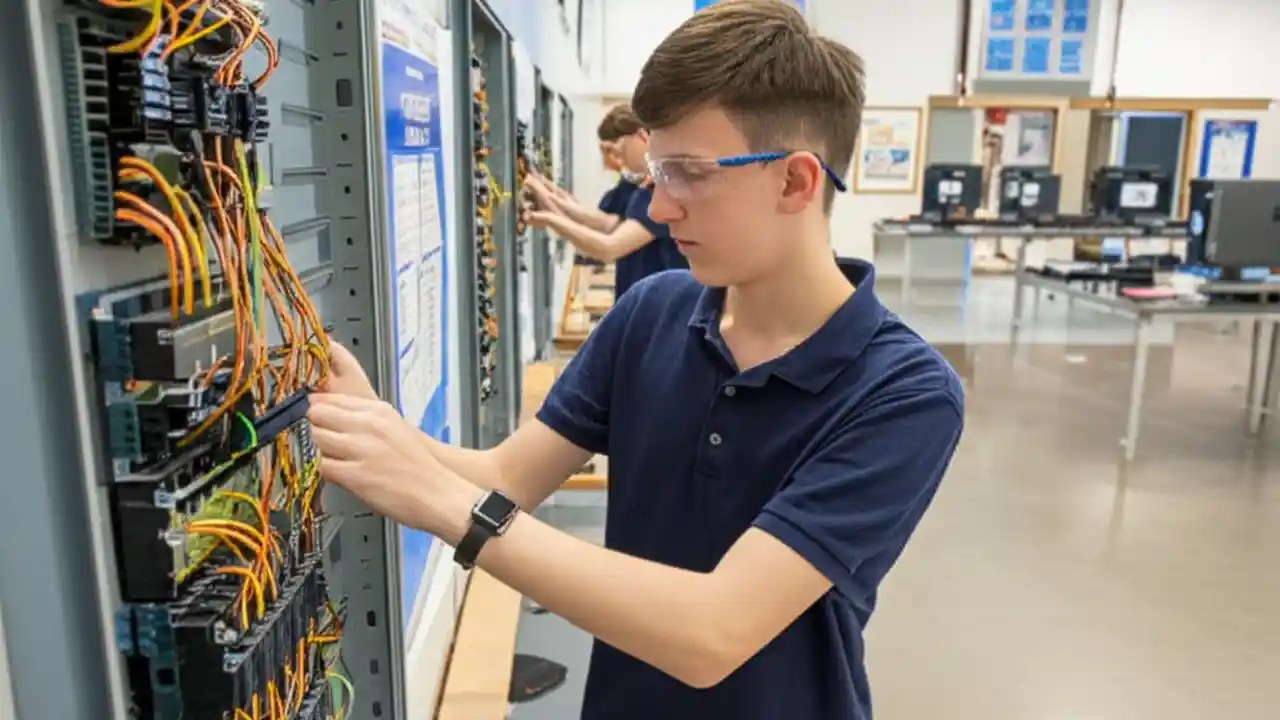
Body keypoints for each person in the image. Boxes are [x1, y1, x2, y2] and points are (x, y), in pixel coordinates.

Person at [308, 2, 964, 719]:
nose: (659, 206)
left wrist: (445, 507)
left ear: (795, 182)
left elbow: (712, 631)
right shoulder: (651, 313)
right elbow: (505, 478)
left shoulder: (903, 393)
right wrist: (375, 428)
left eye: (687, 173)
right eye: (656, 171)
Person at [522, 104, 688, 299]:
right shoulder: (645, 187)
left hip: (661, 307)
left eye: (619, 149)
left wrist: (550, 217)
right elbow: (609, 225)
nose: (617, 159)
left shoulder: (663, 189)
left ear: (642, 136)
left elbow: (608, 247)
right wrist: (549, 195)